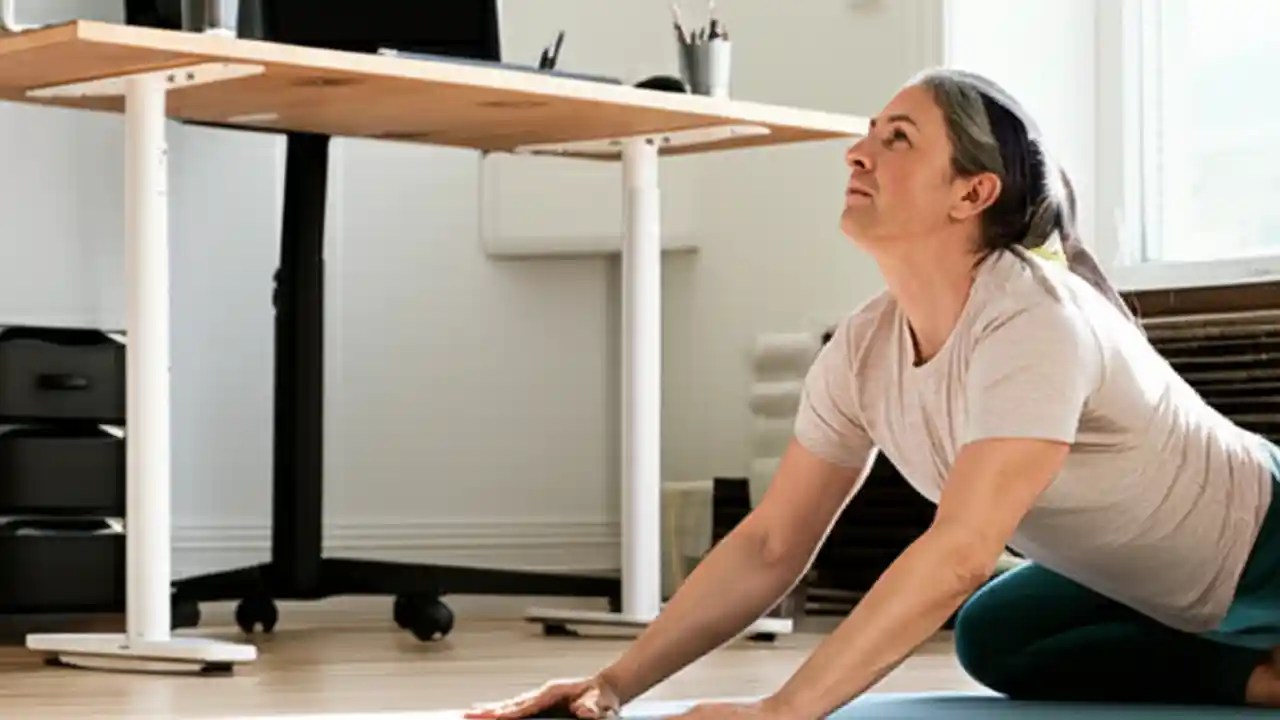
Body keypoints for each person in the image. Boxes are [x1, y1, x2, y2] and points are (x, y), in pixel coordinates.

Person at [466, 68, 1280, 718]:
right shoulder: (863, 350)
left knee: (976, 600)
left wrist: (787, 710)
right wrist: (611, 686)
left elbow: (960, 553)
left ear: (972, 193)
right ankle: (1262, 676)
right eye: (868, 135)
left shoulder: (1035, 318)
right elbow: (772, 543)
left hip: (1269, 540)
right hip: (1177, 588)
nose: (858, 155)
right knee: (1000, 634)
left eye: (897, 139)